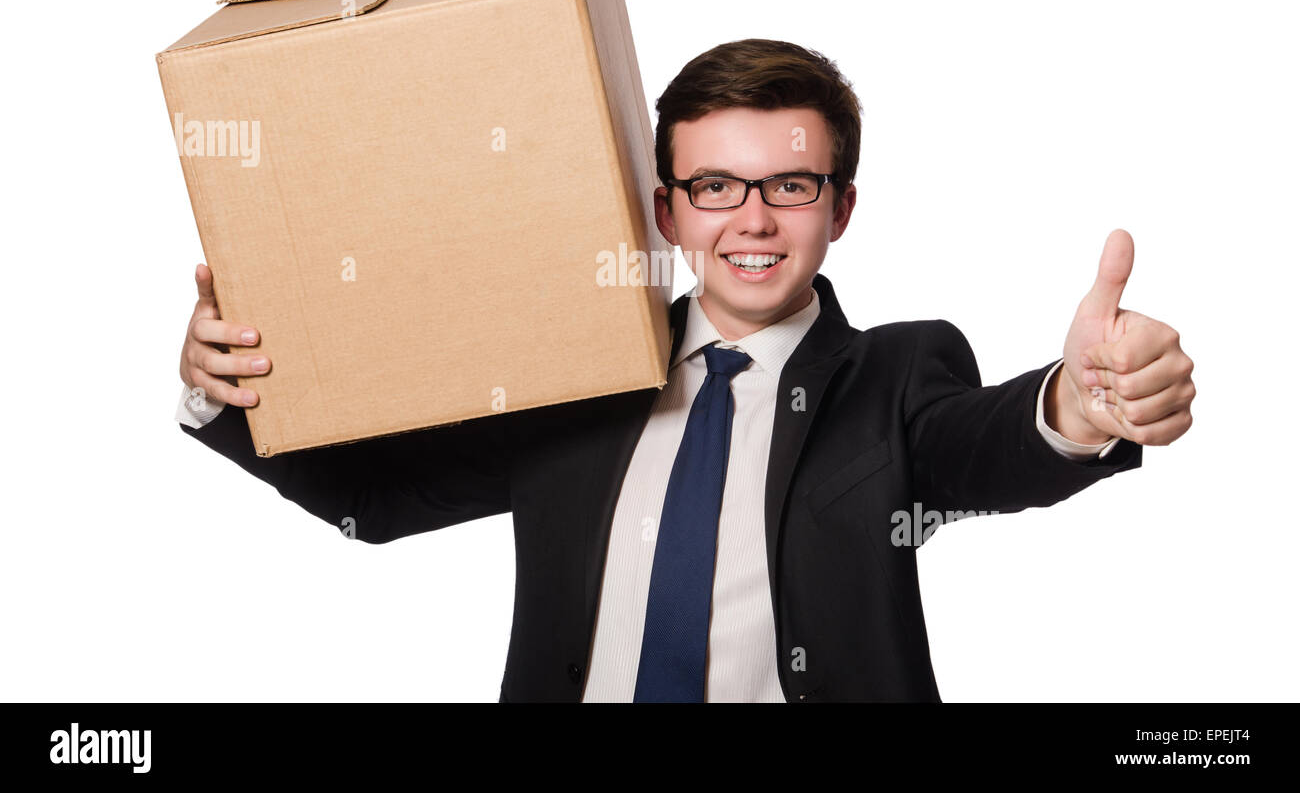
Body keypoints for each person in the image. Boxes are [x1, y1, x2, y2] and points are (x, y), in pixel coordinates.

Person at [175, 39, 1196, 702]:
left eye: (789, 185)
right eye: (714, 185)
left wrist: (1079, 402)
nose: (751, 219)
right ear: (667, 213)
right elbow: (376, 499)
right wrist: (224, 391)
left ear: (839, 210)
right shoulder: (576, 376)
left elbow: (980, 449)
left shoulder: (894, 376)